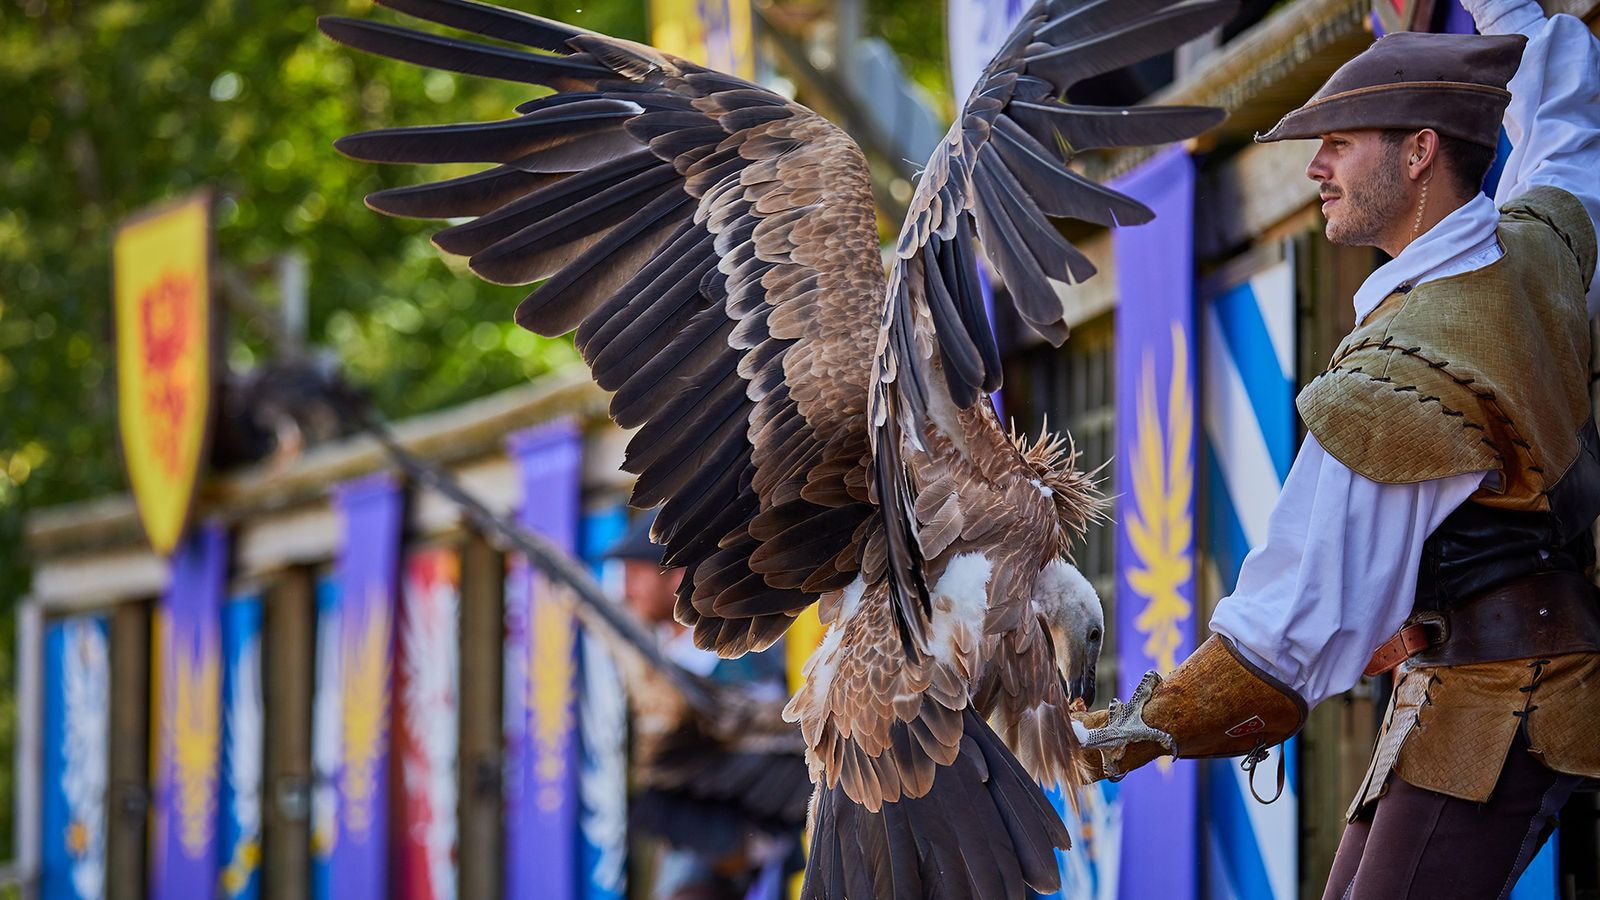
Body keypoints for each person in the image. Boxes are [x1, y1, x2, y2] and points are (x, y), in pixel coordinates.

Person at [1078, 1, 1600, 896]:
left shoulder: (1406, 365)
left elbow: (1285, 630)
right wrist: (1509, 11)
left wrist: (1116, 736)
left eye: (1339, 143)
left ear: (1420, 151)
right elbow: (1564, 129)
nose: (1315, 167)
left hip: (1501, 701)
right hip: (1494, 684)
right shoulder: (1540, 245)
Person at [605, 510, 794, 900]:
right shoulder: (655, 658)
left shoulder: (746, 660)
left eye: (636, 573)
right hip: (679, 834)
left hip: (738, 851)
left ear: (676, 578)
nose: (626, 588)